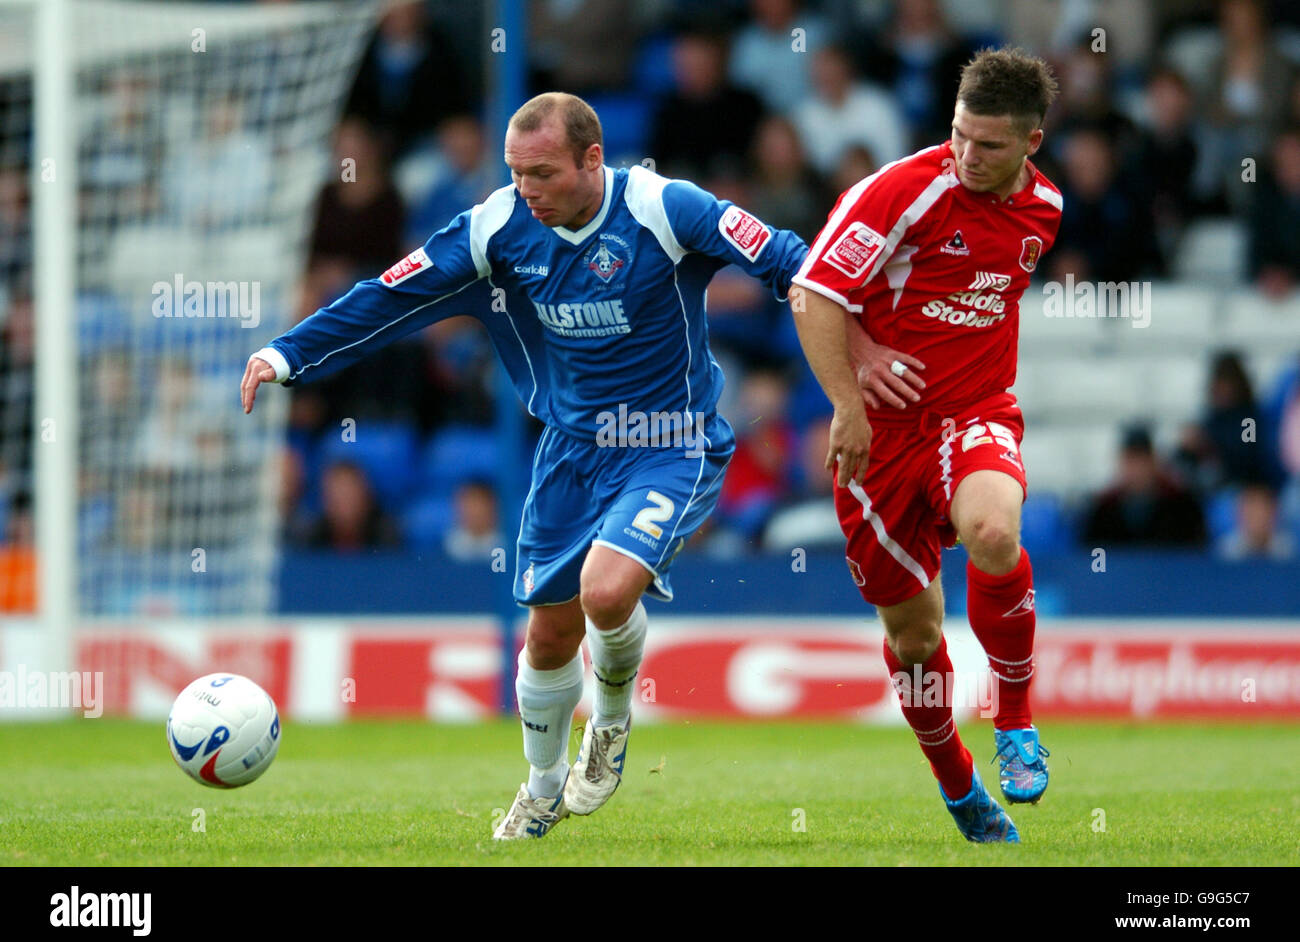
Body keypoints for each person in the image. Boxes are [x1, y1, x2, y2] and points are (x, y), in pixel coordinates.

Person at [241, 93, 809, 839]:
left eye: (542, 173)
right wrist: (287, 352)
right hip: (570, 453)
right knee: (546, 635)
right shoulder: (497, 224)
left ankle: (608, 726)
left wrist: (855, 345)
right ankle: (542, 785)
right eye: (516, 173)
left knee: (606, 594)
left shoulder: (666, 208)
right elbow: (387, 294)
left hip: (671, 441)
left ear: (592, 160)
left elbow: (790, 261)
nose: (526, 190)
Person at [790, 48, 1063, 843]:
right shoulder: (900, 191)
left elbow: (986, 302)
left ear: (1031, 143)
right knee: (913, 639)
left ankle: (1015, 721)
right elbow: (813, 293)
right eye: (958, 136)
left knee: (994, 532)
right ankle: (958, 785)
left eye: (988, 145)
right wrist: (851, 389)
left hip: (976, 410)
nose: (967, 156)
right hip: (881, 436)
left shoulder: (1044, 211)